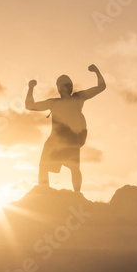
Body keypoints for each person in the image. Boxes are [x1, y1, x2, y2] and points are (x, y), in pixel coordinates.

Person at [26, 64, 105, 192]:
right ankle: (44, 192)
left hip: (70, 140)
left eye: (63, 84)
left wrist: (96, 71)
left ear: (69, 86)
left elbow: (101, 87)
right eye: (59, 84)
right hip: (56, 141)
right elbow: (29, 105)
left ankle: (77, 195)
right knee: (44, 166)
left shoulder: (78, 97)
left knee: (73, 168)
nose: (61, 87)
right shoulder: (54, 102)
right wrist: (30, 88)